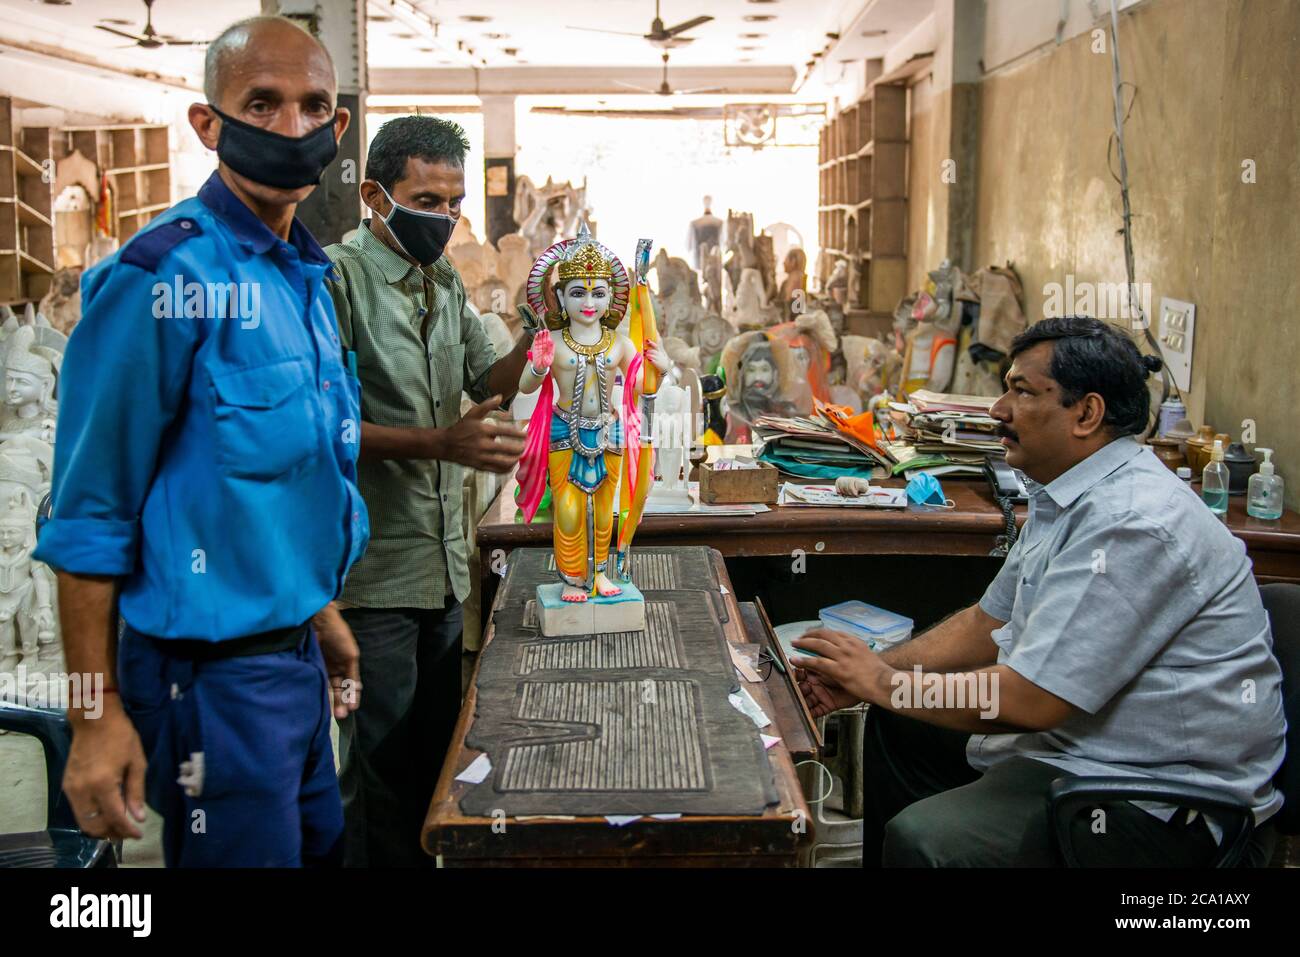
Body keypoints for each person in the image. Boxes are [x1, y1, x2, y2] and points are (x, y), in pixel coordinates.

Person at [34, 16, 369, 867]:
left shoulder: (306, 278)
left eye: (313, 107)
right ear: (208, 125)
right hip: (205, 684)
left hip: (292, 660)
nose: (290, 128)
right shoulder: (163, 278)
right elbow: (87, 516)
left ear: (338, 129)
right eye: (262, 103)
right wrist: (90, 714)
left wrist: (315, 609)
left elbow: (273, 483)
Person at [794, 316, 1286, 867]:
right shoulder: (1067, 493)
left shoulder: (1135, 523)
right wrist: (876, 675)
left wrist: (887, 682)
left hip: (1156, 802)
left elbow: (1033, 699)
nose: (997, 409)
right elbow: (988, 622)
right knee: (896, 721)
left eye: (1021, 391)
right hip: (1079, 750)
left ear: (1087, 413)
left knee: (927, 841)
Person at [323, 115, 532, 867]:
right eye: (426, 200)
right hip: (376, 574)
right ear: (375, 196)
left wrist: (544, 327)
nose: (443, 218)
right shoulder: (336, 280)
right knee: (378, 768)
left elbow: (489, 379)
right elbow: (323, 429)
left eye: (453, 202)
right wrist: (444, 444)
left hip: (445, 564)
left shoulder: (443, 281)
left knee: (436, 757)